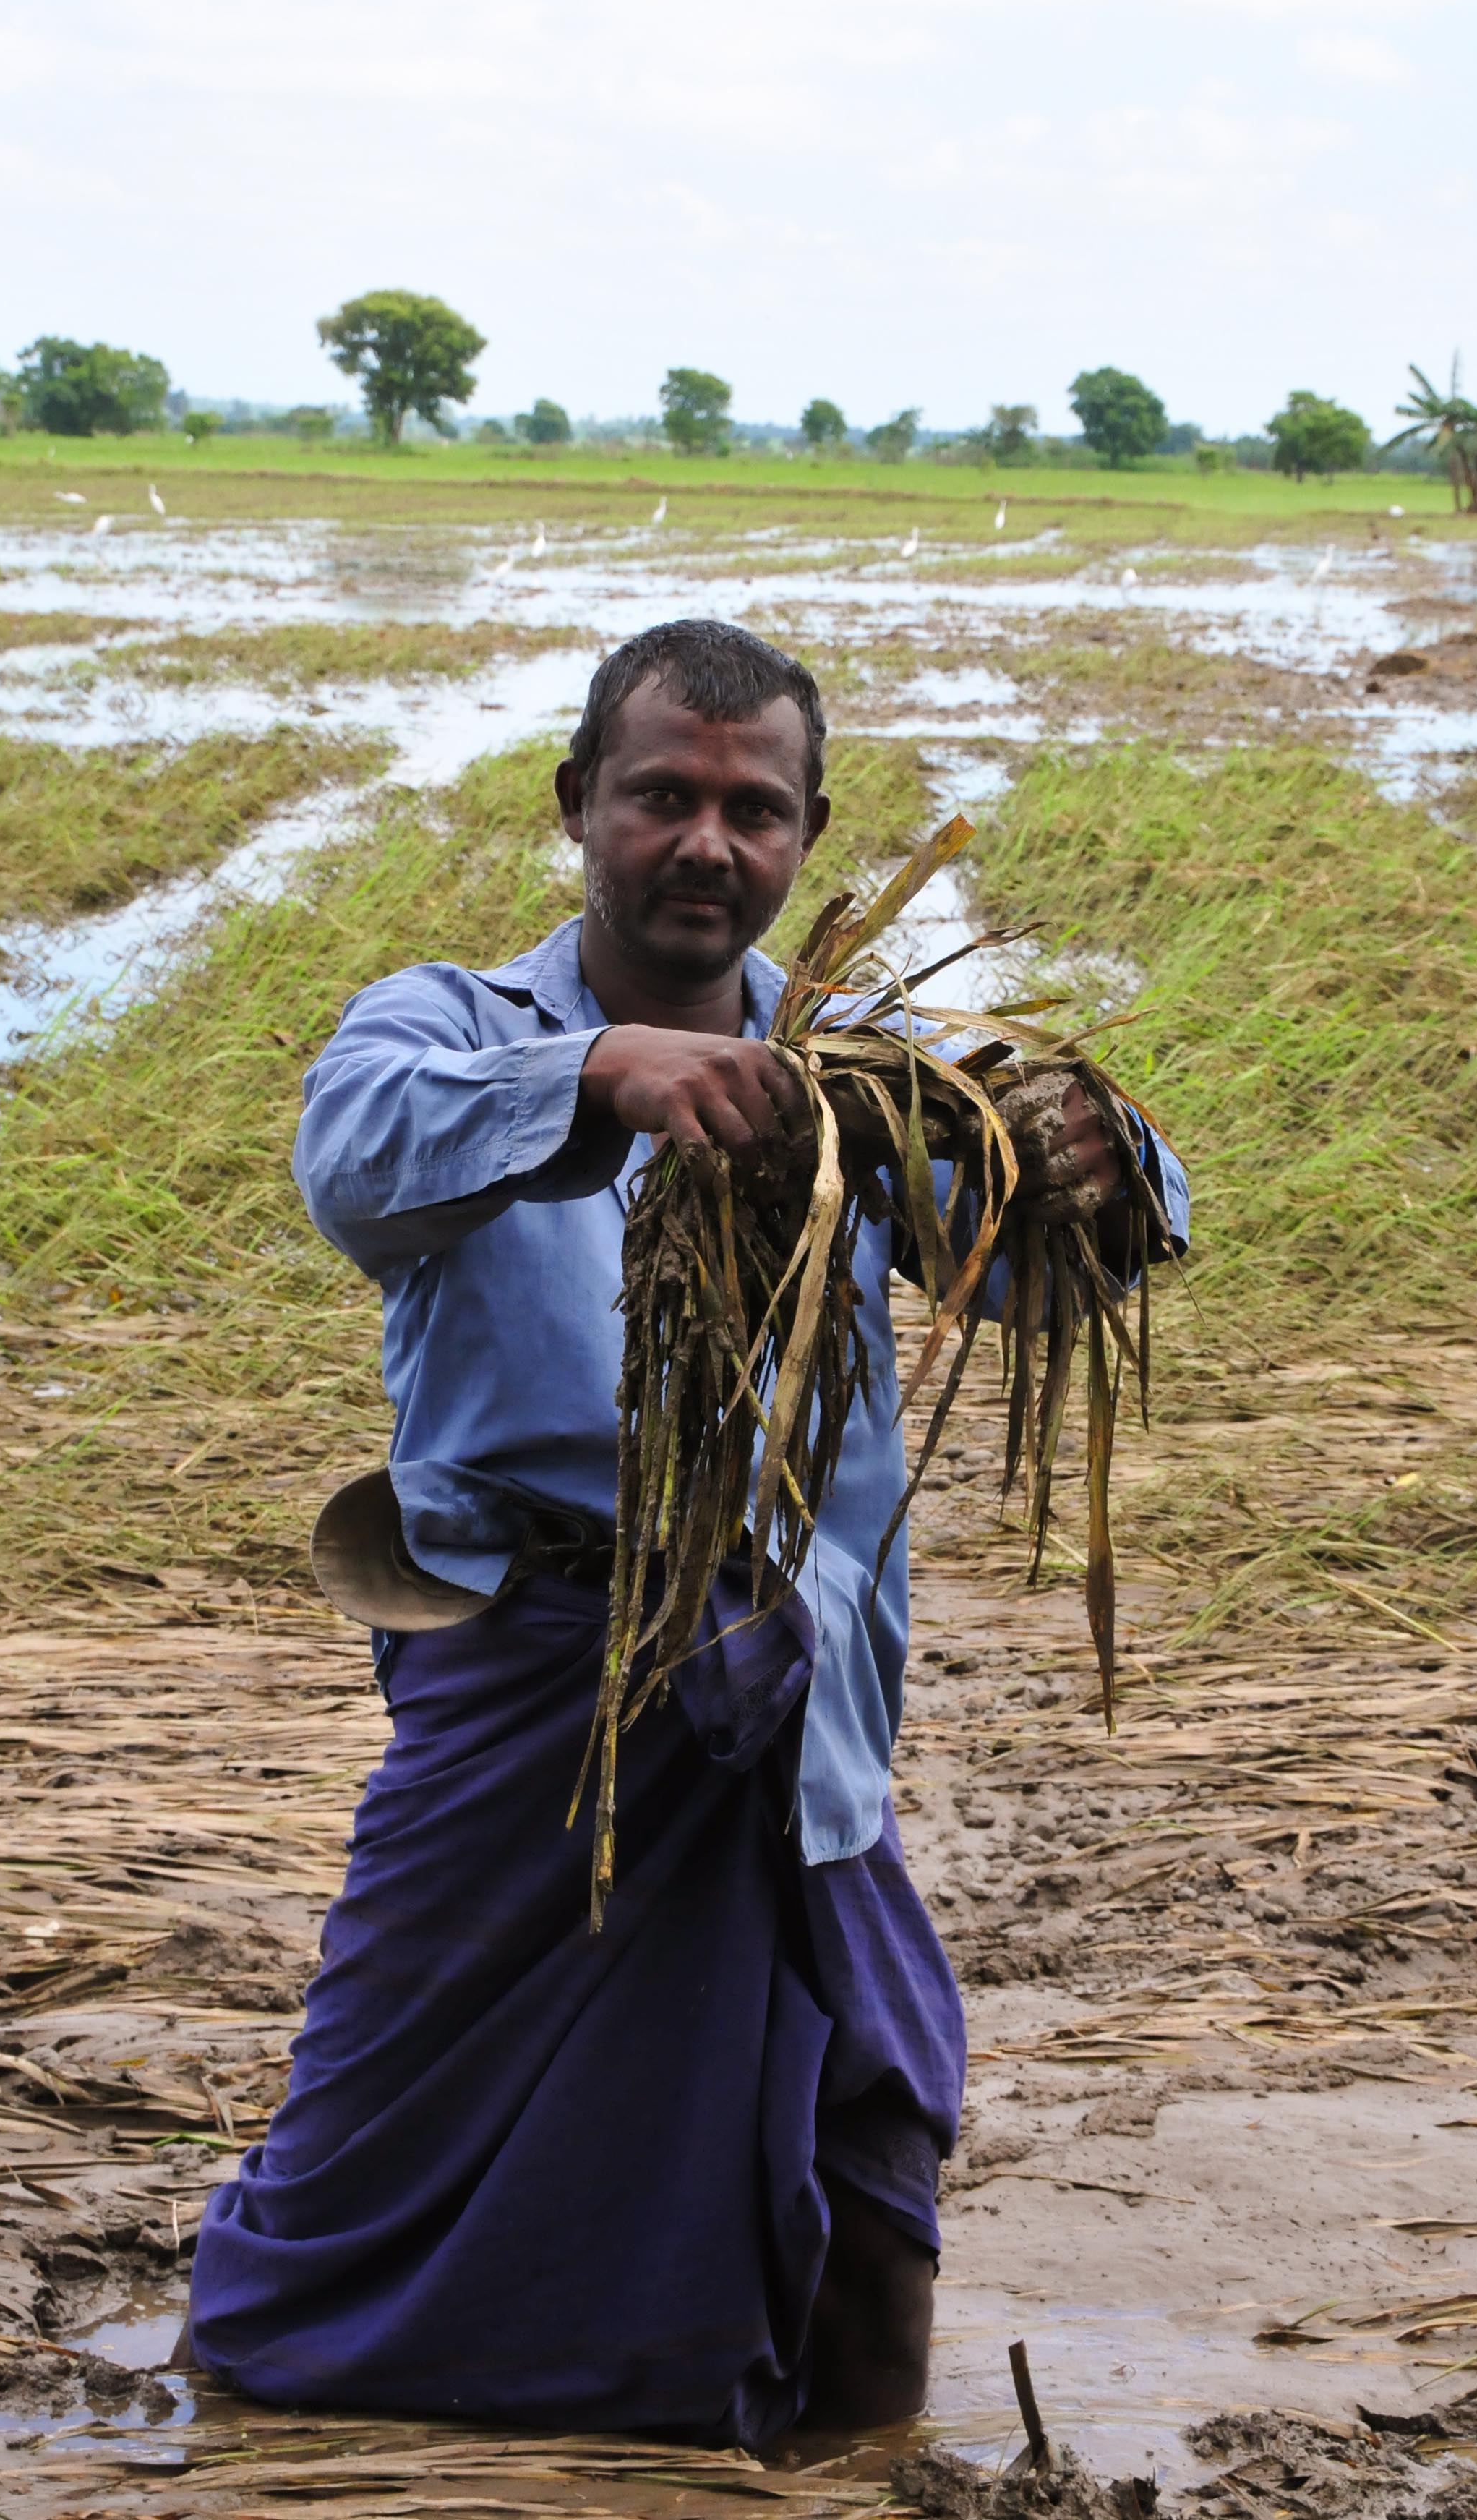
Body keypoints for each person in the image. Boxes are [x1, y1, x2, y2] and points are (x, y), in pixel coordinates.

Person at [184, 620, 1189, 2445]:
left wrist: (1093, 1156)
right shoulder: (450, 1028)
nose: (704, 842)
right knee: (370, 2151)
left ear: (807, 834)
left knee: (869, 2120)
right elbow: (358, 1154)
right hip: (530, 1682)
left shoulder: (863, 1078)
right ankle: (312, 2396)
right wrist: (603, 1078)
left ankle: (833, 2469)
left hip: (786, 1691)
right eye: (660, 796)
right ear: (581, 804)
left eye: (752, 808)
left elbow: (1062, 1240)